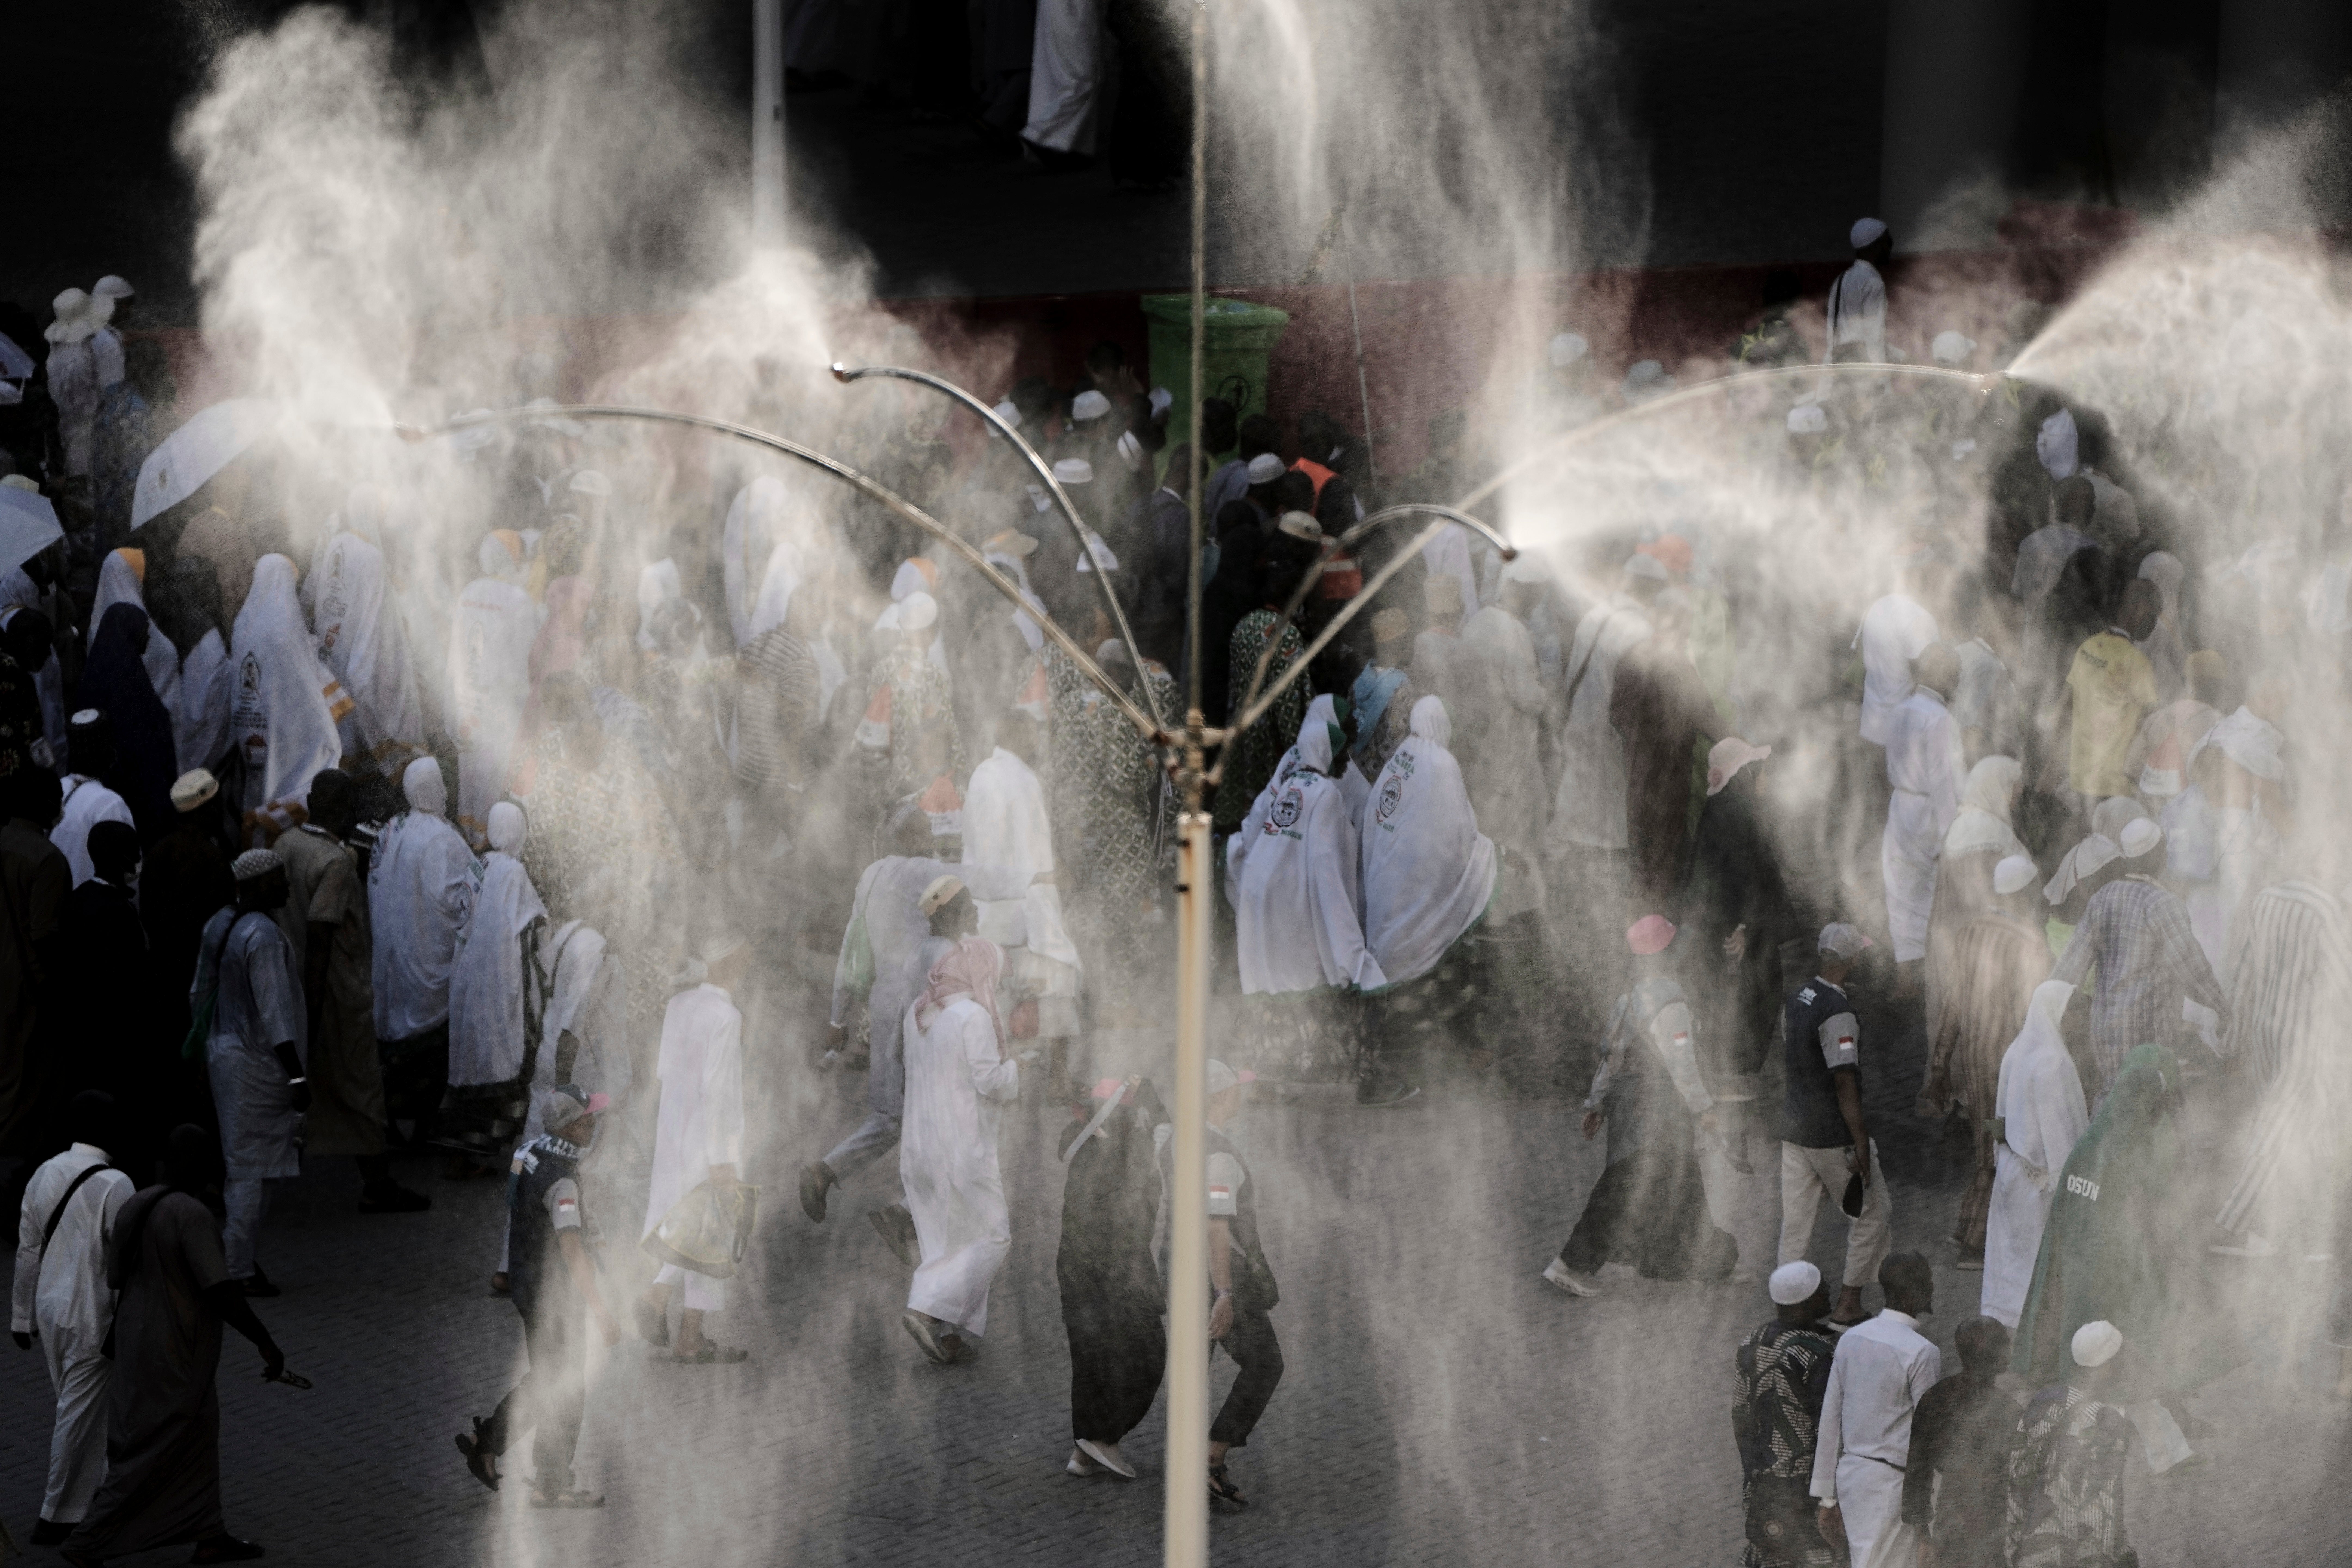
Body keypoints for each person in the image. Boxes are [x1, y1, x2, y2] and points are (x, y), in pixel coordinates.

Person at [61, 1124, 286, 1566]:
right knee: (157, 1443)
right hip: (176, 1350)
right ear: (205, 1164)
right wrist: (266, 1343)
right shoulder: (192, 1214)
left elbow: (116, 1276)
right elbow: (221, 1290)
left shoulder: (137, 1204)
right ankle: (89, 1540)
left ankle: (208, 1533)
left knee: (193, 1436)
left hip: (135, 1340)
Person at [800, 811, 1029, 1239]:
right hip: (925, 1012)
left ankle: (826, 1173)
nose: (929, 838)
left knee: (892, 1117)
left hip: (886, 1009)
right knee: (950, 1112)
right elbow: (975, 876)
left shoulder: (871, 876)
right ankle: (906, 1215)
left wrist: (838, 1017)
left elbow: (853, 951)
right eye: (922, 830)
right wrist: (1036, 879)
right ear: (908, 836)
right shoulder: (918, 871)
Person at [2011, 1044, 2227, 1475]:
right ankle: (2079, 1457)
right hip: (2113, 1286)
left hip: (2078, 1280)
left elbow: (2068, 1218)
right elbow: (2151, 1223)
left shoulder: (2089, 1145)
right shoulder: (2131, 1155)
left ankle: (2168, 1454)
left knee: (2112, 1371)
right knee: (2116, 1372)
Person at [1545, 915, 1738, 1295]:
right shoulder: (1671, 1002)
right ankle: (1571, 1263)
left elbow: (1611, 1059)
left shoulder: (1629, 1000)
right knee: (1622, 1187)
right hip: (1660, 1113)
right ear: (1668, 952)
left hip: (1631, 1109)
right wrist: (1704, 1108)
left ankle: (1693, 1262)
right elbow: (1682, 1066)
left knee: (1682, 1185)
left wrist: (1596, 1105)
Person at [456, 1085, 620, 1508]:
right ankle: (552, 1482)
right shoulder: (562, 1180)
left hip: (527, 1284)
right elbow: (571, 1249)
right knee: (567, 1387)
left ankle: (487, 1441)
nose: (595, 1123)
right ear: (568, 1124)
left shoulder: (529, 1153)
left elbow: (517, 1216)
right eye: (588, 1118)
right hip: (554, 1299)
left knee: (548, 1378)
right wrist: (602, 1310)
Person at [273, 769, 424, 1212]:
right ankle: (377, 1185)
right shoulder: (335, 862)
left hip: (295, 984)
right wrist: (317, 1010)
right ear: (342, 809)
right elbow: (321, 938)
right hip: (336, 993)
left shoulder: (286, 844)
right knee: (361, 1087)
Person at [1357, 696, 1497, 1104]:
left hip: (1388, 895)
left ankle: (1407, 1070)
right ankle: (1437, 1065)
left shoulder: (1402, 758)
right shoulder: (1441, 765)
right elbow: (1458, 838)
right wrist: (1491, 855)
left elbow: (1378, 820)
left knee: (1397, 981)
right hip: (1416, 902)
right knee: (1433, 969)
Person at [12, 1092, 136, 1547]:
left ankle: (92, 1496)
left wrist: (21, 1317)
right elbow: (125, 1263)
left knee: (79, 1405)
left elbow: (28, 1249)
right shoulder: (117, 1184)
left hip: (50, 1306)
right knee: (78, 1410)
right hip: (92, 1311)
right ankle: (56, 1514)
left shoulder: (45, 1172)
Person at [1921, 854, 2050, 1269]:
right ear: (2026, 893)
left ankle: (1966, 1224)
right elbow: (2030, 1012)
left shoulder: (1970, 933)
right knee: (2006, 1147)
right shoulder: (2029, 943)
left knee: (1986, 1141)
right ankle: (1978, 1244)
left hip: (1975, 1065)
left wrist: (1940, 1065)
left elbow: (1954, 1004)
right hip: (2010, 1068)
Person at [899, 936, 1021, 1364]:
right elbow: (990, 1081)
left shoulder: (919, 1011)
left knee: (945, 1241)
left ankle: (949, 1336)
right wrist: (1017, 1069)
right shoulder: (972, 1017)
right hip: (961, 1148)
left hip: (918, 1148)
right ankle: (926, 1311)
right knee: (993, 1235)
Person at [2214, 879, 2352, 1252]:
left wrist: (2232, 1043)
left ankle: (2303, 1229)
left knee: (2298, 1135)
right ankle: (2231, 1222)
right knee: (2278, 1132)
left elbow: (2244, 976)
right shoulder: (2327, 913)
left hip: (2264, 1039)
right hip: (2306, 1047)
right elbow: (2345, 990)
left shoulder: (2266, 899)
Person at [192, 850, 306, 1294]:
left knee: (251, 1168)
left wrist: (203, 1053)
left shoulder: (220, 922)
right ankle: (235, 1269)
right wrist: (297, 1078)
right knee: (250, 1173)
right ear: (256, 885)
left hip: (225, 1058)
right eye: (280, 880)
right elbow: (277, 1014)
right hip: (260, 1069)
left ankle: (237, 1260)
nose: (288, 888)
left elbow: (198, 993)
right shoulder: (262, 935)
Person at [2048, 819, 2226, 1096]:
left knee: (2115, 1105)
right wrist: (2224, 1008)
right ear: (2159, 855)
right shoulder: (2164, 905)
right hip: (2147, 1038)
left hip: (2104, 1035)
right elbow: (2193, 973)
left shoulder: (2103, 898)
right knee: (2153, 1112)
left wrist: (2045, 1016)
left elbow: (2069, 969)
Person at [637, 933, 751, 1364]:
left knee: (692, 1228)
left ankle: (688, 1334)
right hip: (710, 1138)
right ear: (731, 962)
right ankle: (658, 1298)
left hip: (673, 1131)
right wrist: (721, 1158)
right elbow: (718, 1091)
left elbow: (666, 1071)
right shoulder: (727, 1016)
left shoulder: (679, 1004)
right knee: (708, 1233)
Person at [1779, 924, 1892, 1328]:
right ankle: (1848, 1306)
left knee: (1797, 1224)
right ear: (1849, 961)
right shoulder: (1838, 1012)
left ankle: (1788, 1309)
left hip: (1794, 1130)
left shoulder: (1798, 997)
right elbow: (1844, 1078)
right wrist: (1860, 1140)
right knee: (1872, 1215)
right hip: (1831, 1136)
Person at [1056, 1074, 1169, 1480]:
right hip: (1118, 1269)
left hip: (1075, 1265)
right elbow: (1138, 1212)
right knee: (1148, 1355)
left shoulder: (1087, 1144)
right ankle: (1104, 1438)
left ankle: (1084, 1450)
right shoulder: (1125, 1153)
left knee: (1091, 1356)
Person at [367, 757, 482, 1150]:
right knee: (431, 1055)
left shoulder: (390, 829)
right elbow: (458, 901)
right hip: (427, 966)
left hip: (393, 960)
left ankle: (392, 1127)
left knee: (396, 1054)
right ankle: (423, 1127)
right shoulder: (442, 838)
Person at [962, 709, 1083, 1069]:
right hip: (1027, 902)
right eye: (1031, 734)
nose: (1036, 742)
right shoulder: (1025, 779)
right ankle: (1057, 1077)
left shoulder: (981, 774)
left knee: (995, 992)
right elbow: (1034, 847)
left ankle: (995, 1067)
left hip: (986, 907)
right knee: (1058, 980)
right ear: (1015, 736)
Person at [1679, 737, 1796, 1092]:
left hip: (1724, 924)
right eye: (1754, 769)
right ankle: (1738, 1072)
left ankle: (1734, 1067)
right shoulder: (1736, 813)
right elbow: (1743, 873)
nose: (1761, 776)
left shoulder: (1724, 809)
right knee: (1747, 994)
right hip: (1736, 928)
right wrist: (1743, 926)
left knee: (1739, 992)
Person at [1811, 1253, 1940, 1568]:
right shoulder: (1922, 1351)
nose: (1934, 1287)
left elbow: (1831, 1421)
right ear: (1914, 1291)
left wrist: (1828, 1498)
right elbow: (1928, 1438)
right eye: (1929, 1281)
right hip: (1893, 1488)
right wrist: (1927, 1521)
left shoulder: (1852, 1339)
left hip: (1853, 1477)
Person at [442, 801, 548, 1168]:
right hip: (499, 979)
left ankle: (464, 1149)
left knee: (474, 1060)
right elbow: (530, 928)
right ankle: (486, 1144)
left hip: (468, 976)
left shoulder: (478, 864)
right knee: (505, 1059)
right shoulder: (514, 872)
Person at [1980, 981, 2090, 1330]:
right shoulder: (2052, 1063)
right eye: (2074, 1014)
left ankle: (2001, 1326)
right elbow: (2059, 1138)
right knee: (2037, 1261)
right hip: (2041, 1182)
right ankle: (2033, 1336)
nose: (2080, 1023)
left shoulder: (2017, 1050)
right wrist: (2070, 1188)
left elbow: (2001, 1117)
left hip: (2013, 1172)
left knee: (2010, 1254)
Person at [1200, 1056, 1281, 1510]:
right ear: (1220, 1096)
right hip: (1215, 1274)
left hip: (1179, 1264)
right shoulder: (1218, 1158)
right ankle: (1211, 1458)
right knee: (1266, 1364)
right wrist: (1224, 1295)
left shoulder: (1178, 1137)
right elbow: (1216, 1225)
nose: (1240, 1096)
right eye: (1235, 1089)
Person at [226, 554, 349, 845]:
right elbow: (303, 687)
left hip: (252, 724)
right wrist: (326, 734)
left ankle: (256, 843)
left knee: (260, 782)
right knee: (294, 777)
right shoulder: (284, 626)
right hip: (286, 727)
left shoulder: (243, 623)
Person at [1614, 589, 1724, 906]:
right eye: (1684, 624)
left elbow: (1616, 713)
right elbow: (1706, 716)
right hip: (1667, 773)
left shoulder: (1633, 657)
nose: (1687, 632)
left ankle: (1646, 908)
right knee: (1662, 843)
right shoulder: (1675, 664)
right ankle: (1658, 911)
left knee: (1645, 841)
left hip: (1640, 770)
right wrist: (1740, 745)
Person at [308, 485, 425, 775]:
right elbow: (374, 623)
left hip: (332, 655)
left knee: (344, 747)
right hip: (359, 660)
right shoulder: (371, 556)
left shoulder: (337, 544)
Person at [1732, 1261, 1840, 1568]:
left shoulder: (1752, 1341)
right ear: (1803, 1301)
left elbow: (1740, 1412)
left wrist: (1752, 1464)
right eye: (1822, 1289)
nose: (1829, 1291)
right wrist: (1828, 1493)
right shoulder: (1816, 1353)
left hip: (1765, 1473)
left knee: (1772, 1547)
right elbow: (1826, 1428)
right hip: (1802, 1480)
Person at [2005, 1322, 2138, 1568]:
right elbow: (2103, 1506)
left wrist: (2014, 1548)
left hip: (2033, 1554)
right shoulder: (2108, 1423)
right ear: (2108, 1367)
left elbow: (2017, 1475)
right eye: (2122, 1359)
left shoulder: (2044, 1402)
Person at [1902, 1316, 2019, 1568]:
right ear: (2002, 1355)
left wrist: (1923, 1538)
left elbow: (1916, 1473)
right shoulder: (2009, 1410)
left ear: (1958, 1350)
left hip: (1951, 1520)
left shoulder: (1935, 1399)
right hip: (1994, 1525)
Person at [1923, 755, 2026, 1041]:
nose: (2018, 793)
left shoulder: (1966, 824)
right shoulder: (1987, 833)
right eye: (2013, 787)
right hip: (1981, 946)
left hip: (1955, 940)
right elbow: (1992, 898)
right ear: (1995, 787)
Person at [1457, 561, 1552, 853]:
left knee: (1485, 815)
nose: (1537, 603)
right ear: (1526, 593)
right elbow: (1528, 696)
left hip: (1480, 741)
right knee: (1513, 825)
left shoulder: (1478, 620)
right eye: (1536, 595)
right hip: (1509, 744)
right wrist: (1550, 697)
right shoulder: (1513, 631)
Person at [449, 532, 536, 845]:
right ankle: (493, 843)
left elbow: (456, 650)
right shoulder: (519, 600)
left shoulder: (469, 592)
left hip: (469, 695)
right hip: (501, 705)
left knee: (469, 771)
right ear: (513, 558)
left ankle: (468, 834)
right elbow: (524, 659)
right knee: (495, 773)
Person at [1882, 644, 1964, 973]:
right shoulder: (1940, 718)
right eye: (1955, 676)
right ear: (1942, 675)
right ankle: (1931, 975)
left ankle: (1905, 975)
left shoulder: (1901, 709)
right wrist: (1952, 839)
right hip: (1928, 814)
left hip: (1900, 804)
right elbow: (1946, 783)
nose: (1957, 683)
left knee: (1901, 893)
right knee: (1931, 893)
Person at [1, 767, 69, 1150]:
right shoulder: (47, 859)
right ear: (44, 803)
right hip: (29, 996)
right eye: (57, 797)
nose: (61, 804)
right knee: (27, 1099)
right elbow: (46, 938)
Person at [76, 603, 178, 835]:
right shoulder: (129, 679)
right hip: (136, 789)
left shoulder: (95, 673)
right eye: (144, 631)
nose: (148, 639)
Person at [2059, 581, 2161, 812]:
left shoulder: (2089, 646)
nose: (2154, 621)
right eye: (2154, 612)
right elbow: (2153, 723)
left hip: (2081, 779)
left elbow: (2066, 708)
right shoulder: (2137, 662)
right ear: (2140, 609)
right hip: (2116, 787)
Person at [1855, 572, 1938, 747]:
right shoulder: (1918, 617)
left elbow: (1860, 664)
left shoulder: (1876, 607)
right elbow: (1929, 678)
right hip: (1903, 734)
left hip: (1872, 725)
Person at [52, 709, 134, 887]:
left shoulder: (55, 789)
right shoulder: (110, 804)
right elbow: (129, 873)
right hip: (94, 910)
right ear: (108, 752)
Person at [1824, 218, 1892, 363]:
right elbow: (1874, 335)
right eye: (1887, 242)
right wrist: (1880, 374)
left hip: (1840, 362)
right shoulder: (1873, 282)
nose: (1890, 248)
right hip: (1864, 365)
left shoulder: (1841, 279)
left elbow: (1831, 333)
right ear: (1876, 246)